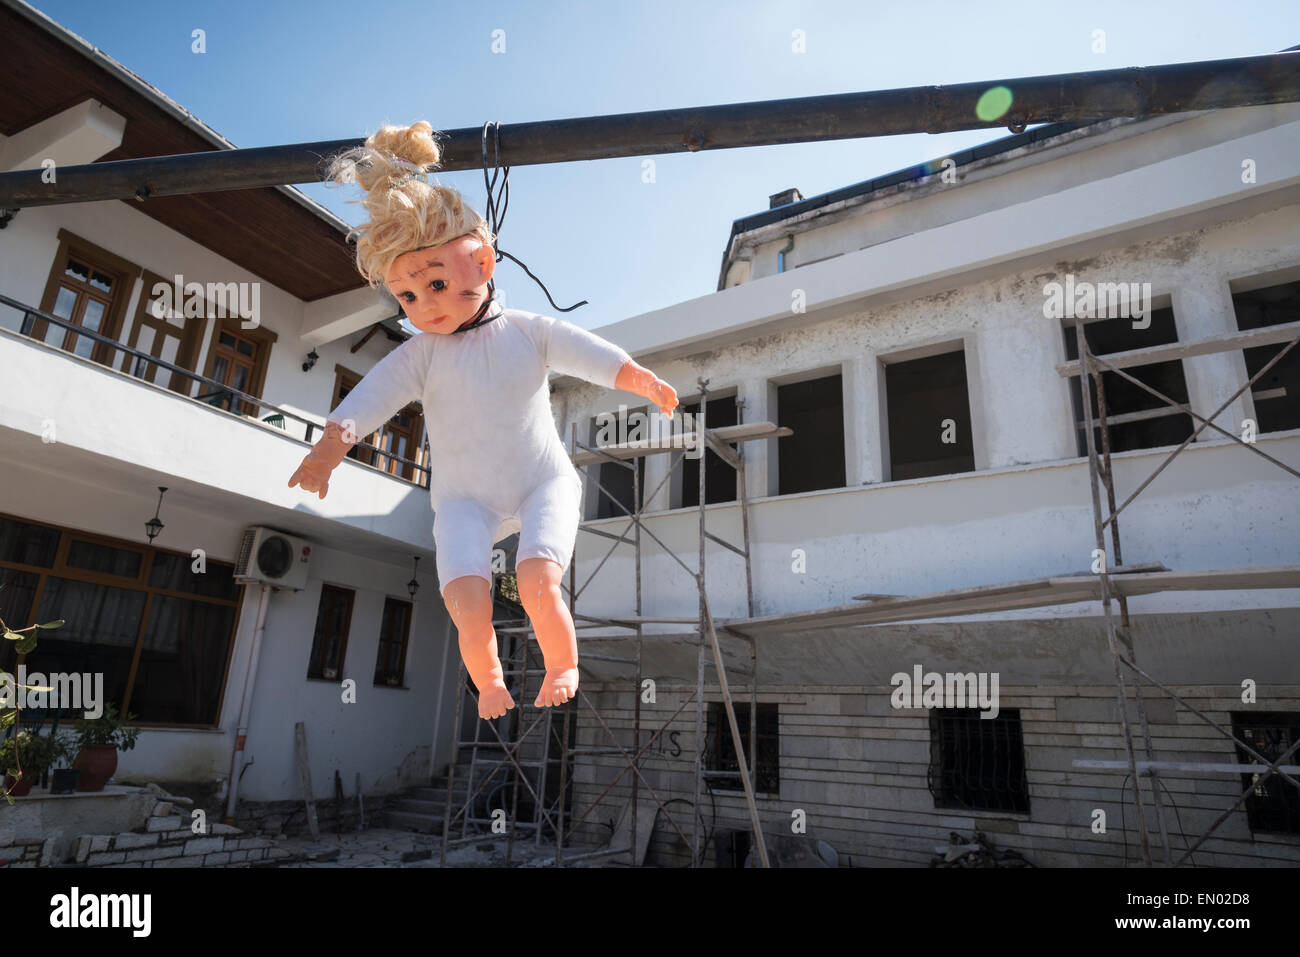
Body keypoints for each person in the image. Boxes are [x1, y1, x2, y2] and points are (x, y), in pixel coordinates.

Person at [288, 121, 677, 720]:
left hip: (543, 481)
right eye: (409, 298)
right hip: (464, 499)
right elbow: (369, 400)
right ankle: (490, 682)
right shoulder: (422, 355)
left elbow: (590, 353)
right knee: (466, 599)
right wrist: (325, 453)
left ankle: (563, 665)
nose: (427, 306)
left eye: (437, 284)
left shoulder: (527, 332)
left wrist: (638, 379)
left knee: (535, 581)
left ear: (482, 261)